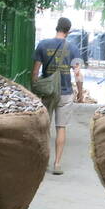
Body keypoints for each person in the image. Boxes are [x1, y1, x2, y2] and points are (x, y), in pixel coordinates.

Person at [32, 18, 81, 174]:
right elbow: (78, 74)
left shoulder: (42, 45)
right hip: (65, 93)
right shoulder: (73, 48)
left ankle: (43, 162)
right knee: (61, 128)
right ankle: (57, 164)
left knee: (45, 128)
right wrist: (80, 91)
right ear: (69, 31)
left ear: (57, 28)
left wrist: (35, 89)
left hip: (48, 92)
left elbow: (35, 73)